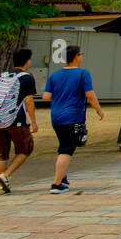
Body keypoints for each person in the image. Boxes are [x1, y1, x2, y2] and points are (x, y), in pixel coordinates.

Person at [41, 45, 104, 193]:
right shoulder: (83, 74)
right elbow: (90, 94)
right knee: (66, 149)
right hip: (72, 116)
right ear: (76, 56)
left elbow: (46, 97)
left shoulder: (54, 75)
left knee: (63, 145)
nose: (81, 57)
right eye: (81, 54)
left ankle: (63, 179)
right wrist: (99, 110)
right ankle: (56, 184)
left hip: (56, 117)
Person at [0, 48, 37, 194]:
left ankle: (1, 186)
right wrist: (33, 121)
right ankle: (6, 175)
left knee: (1, 153)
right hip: (16, 120)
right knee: (25, 148)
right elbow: (28, 101)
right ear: (27, 61)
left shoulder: (2, 76)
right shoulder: (26, 77)